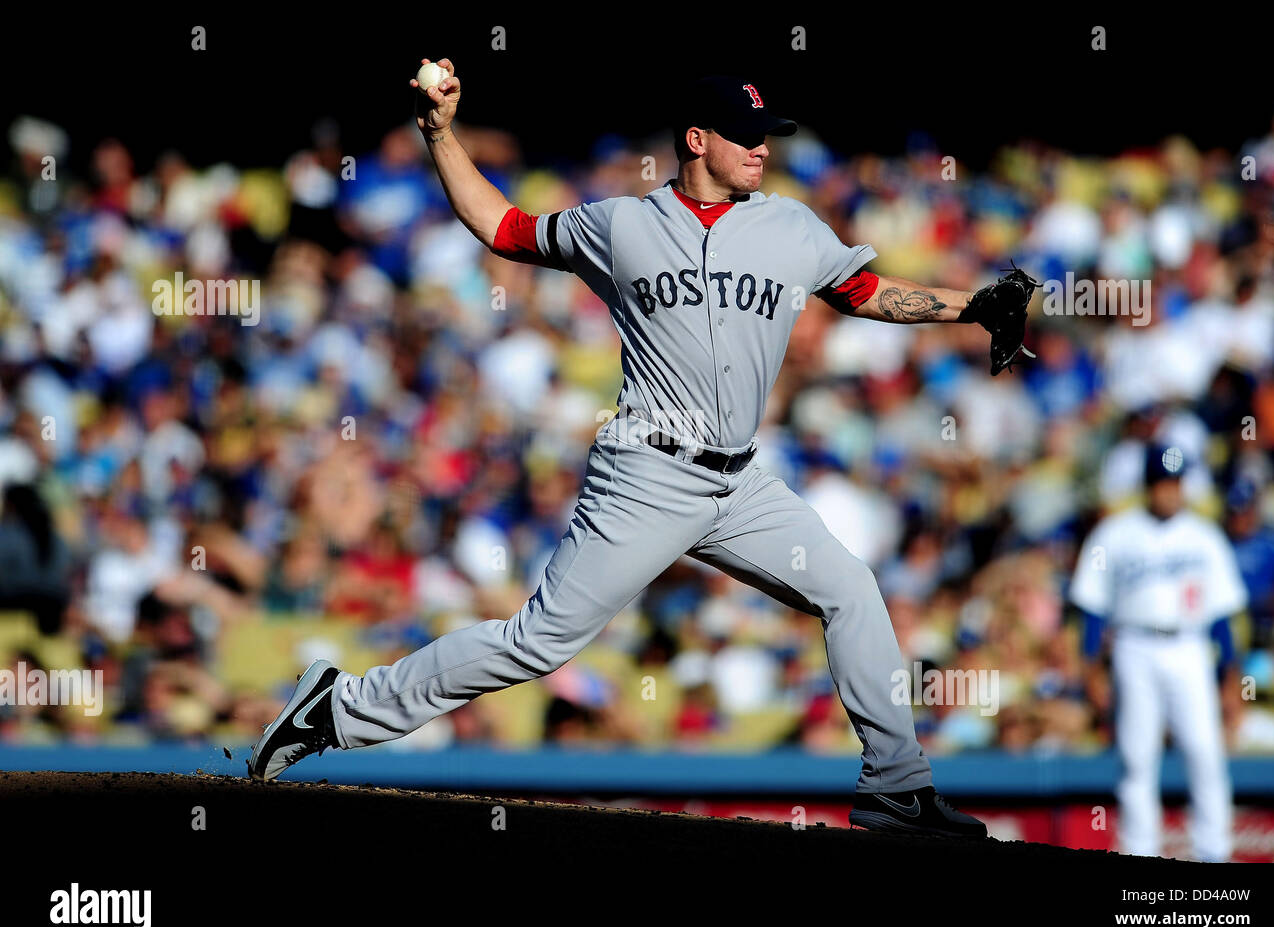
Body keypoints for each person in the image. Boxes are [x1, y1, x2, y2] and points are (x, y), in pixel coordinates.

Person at [250, 62, 1000, 837]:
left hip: (739, 483)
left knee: (849, 586)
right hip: (648, 472)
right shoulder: (620, 224)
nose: (760, 149)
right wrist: (438, 133)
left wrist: (975, 305)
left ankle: (895, 785)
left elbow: (868, 293)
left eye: (765, 135)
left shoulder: (792, 227)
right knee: (539, 641)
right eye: (743, 136)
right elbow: (502, 228)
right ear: (696, 140)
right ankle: (337, 707)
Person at [1068, 445, 1246, 861]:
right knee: (1136, 756)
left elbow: (1221, 614)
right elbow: (1093, 610)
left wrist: (1232, 674)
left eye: (1176, 483)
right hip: (1135, 645)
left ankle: (1214, 853)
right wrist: (1092, 667)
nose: (1170, 492)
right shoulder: (1114, 534)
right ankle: (1140, 851)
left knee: (1205, 751)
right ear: (1148, 486)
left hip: (1190, 646)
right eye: (1162, 483)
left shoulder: (1204, 536)